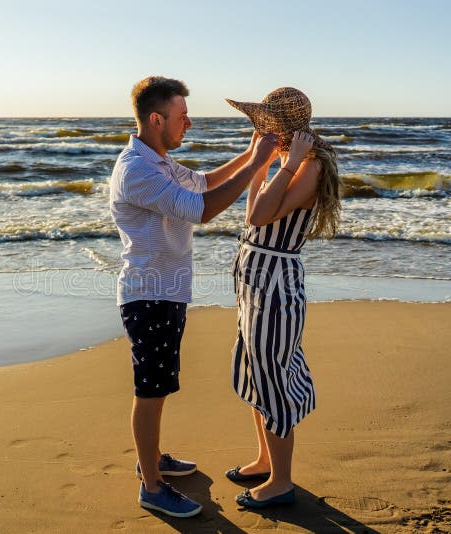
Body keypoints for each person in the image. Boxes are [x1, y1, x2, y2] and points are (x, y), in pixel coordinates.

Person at [109, 76, 279, 518]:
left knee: (160, 385)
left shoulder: (160, 160)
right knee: (150, 390)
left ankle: (153, 456)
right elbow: (200, 210)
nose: (190, 123)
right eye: (182, 116)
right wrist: (254, 162)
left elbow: (204, 183)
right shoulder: (137, 169)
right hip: (148, 294)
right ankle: (151, 485)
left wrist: (251, 153)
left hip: (166, 292)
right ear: (156, 118)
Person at [223, 87, 342, 508]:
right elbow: (254, 207)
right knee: (256, 368)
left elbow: (260, 216)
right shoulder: (291, 161)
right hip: (255, 275)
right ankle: (264, 461)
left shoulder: (309, 164)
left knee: (272, 374)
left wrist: (286, 164)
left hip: (275, 281)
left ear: (282, 125)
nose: (261, 128)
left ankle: (282, 482)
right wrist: (261, 166)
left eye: (266, 122)